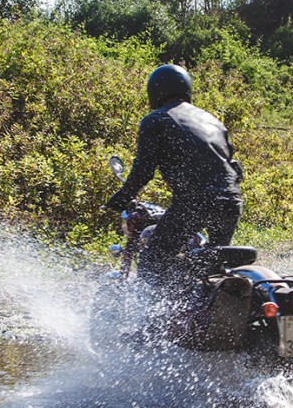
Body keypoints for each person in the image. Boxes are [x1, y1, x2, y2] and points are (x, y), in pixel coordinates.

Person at [104, 64, 243, 289]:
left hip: (194, 203)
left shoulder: (156, 119)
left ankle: (157, 320)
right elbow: (235, 168)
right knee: (211, 266)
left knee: (151, 261)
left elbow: (143, 170)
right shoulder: (212, 121)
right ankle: (201, 311)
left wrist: (121, 196)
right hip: (231, 203)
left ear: (155, 92)